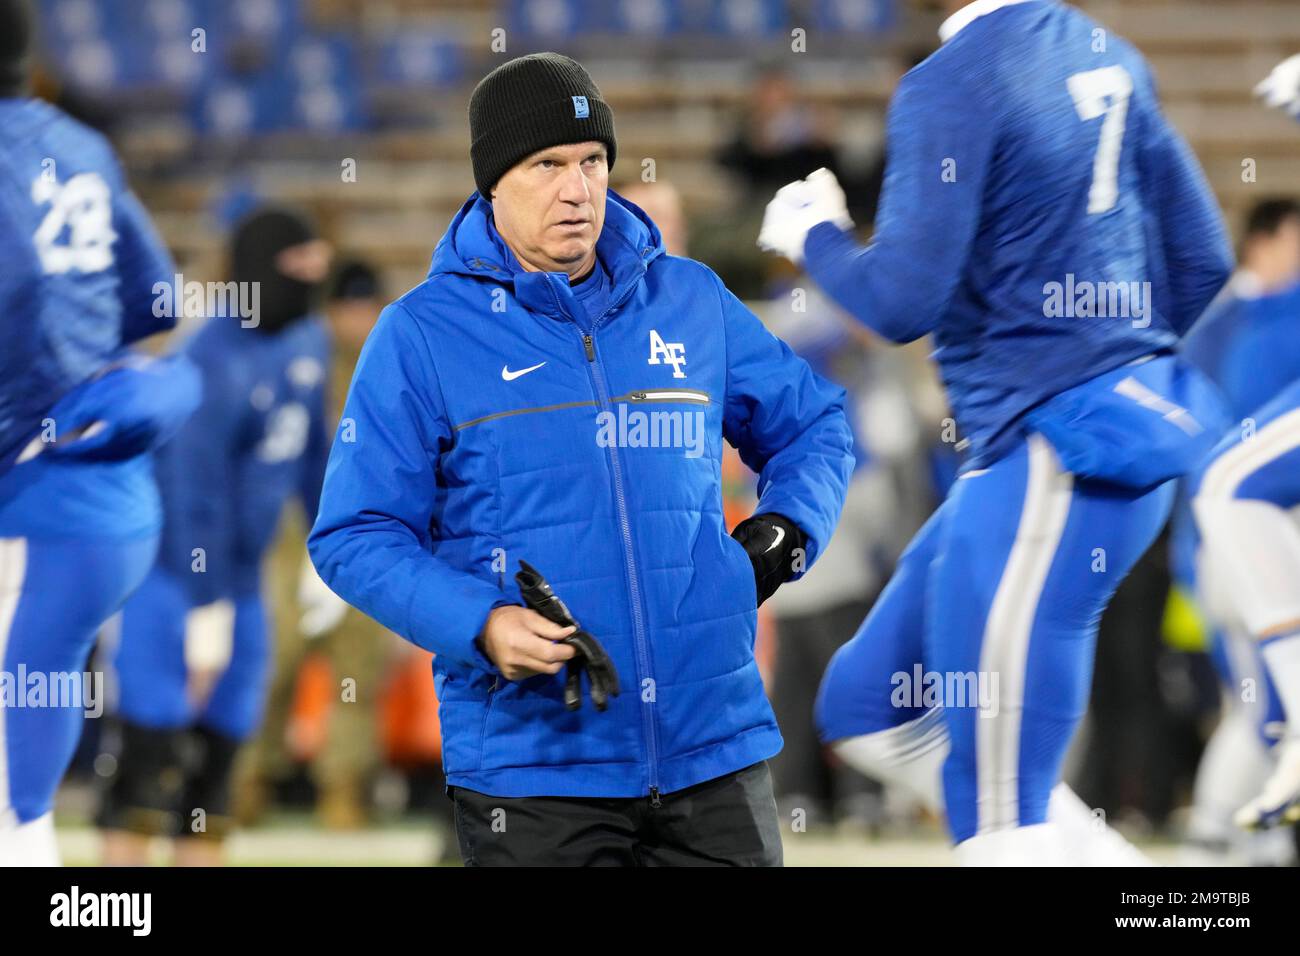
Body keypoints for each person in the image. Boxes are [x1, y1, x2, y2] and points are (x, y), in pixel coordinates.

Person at [309, 53, 854, 867]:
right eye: (548, 166)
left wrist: (784, 531)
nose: (578, 188)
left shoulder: (692, 297)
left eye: (593, 162)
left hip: (714, 745)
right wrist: (480, 623)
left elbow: (816, 424)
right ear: (494, 182)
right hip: (537, 768)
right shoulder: (420, 335)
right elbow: (354, 533)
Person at [759, 0, 1232, 864]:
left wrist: (813, 236)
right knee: (870, 705)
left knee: (999, 809)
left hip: (1053, 444)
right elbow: (1202, 259)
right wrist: (1115, 351)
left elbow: (902, 300)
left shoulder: (955, 77)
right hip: (1066, 445)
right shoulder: (1110, 54)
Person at [0, 0, 199, 866]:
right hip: (108, 494)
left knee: (12, 809)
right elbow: (157, 300)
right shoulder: (79, 146)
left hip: (36, 491)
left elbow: (24, 303)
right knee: (21, 802)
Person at [96, 207, 333, 866]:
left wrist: (332, 543)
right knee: (149, 760)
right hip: (169, 576)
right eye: (299, 270)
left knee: (219, 765)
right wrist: (206, 606)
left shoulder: (305, 339)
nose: (311, 285)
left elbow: (313, 452)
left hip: (245, 576)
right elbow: (191, 495)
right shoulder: (205, 360)